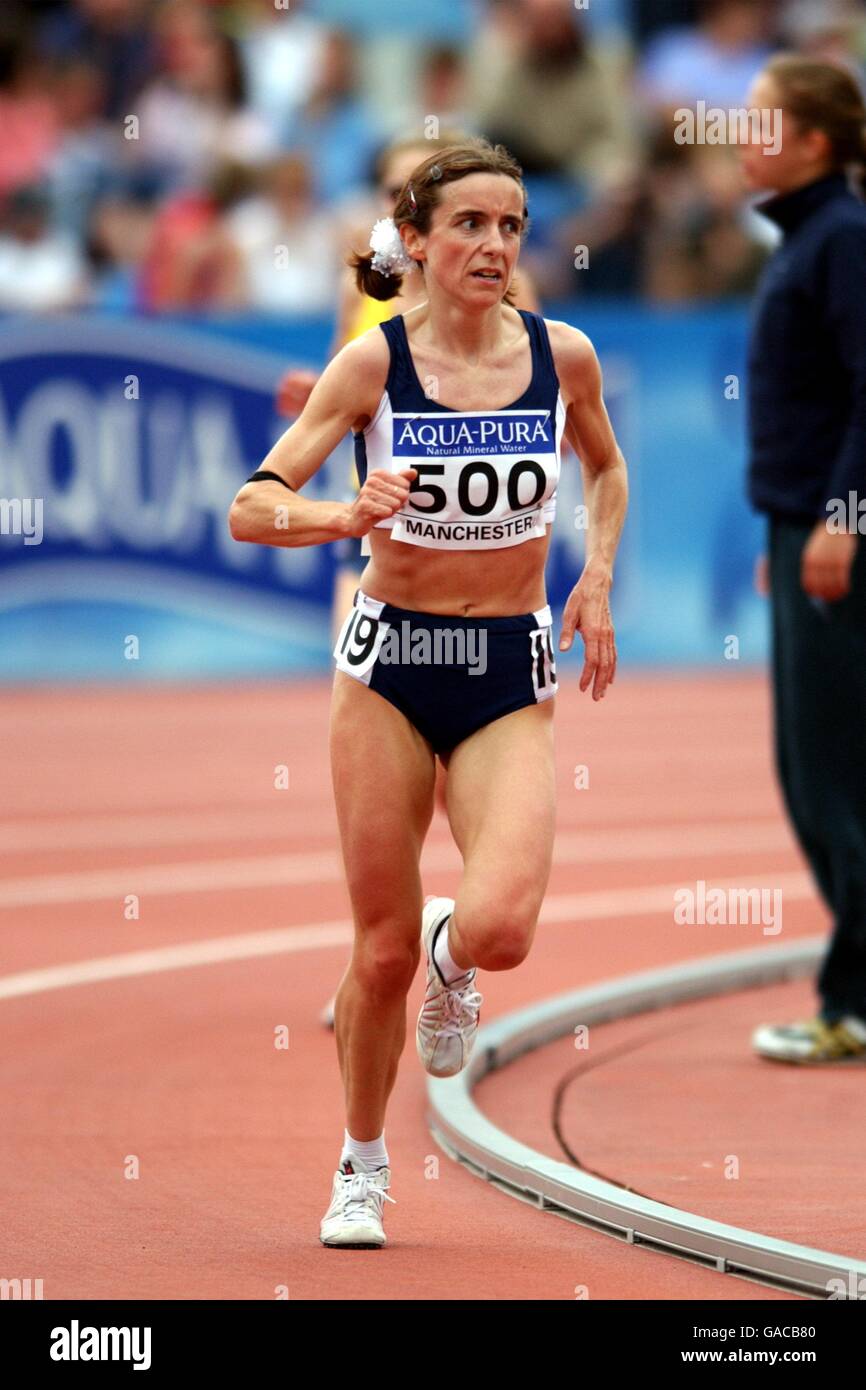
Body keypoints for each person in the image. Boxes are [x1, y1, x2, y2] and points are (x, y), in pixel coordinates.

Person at [228, 137, 627, 1247]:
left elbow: (604, 465)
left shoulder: (563, 356)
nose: (494, 244)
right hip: (389, 669)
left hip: (505, 665)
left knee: (497, 930)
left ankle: (456, 957)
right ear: (414, 242)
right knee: (378, 949)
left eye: (509, 226)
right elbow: (251, 506)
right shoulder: (373, 367)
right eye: (469, 226)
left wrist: (592, 577)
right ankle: (361, 1164)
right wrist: (339, 515)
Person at [275, 135, 541, 1033]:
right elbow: (355, 384)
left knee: (450, 767)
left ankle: (437, 940)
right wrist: (317, 396)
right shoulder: (368, 291)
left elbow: (515, 384)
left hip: (481, 572)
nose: (489, 241)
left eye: (503, 224)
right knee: (377, 755)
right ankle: (381, 952)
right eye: (391, 186)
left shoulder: (506, 293)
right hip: (377, 554)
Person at [740, 54, 866, 1063]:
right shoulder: (805, 239)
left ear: (813, 141)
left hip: (838, 536)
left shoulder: (842, 240)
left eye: (757, 123)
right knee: (804, 770)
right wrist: (783, 530)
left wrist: (841, 516)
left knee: (832, 776)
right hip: (801, 531)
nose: (738, 139)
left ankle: (854, 1001)